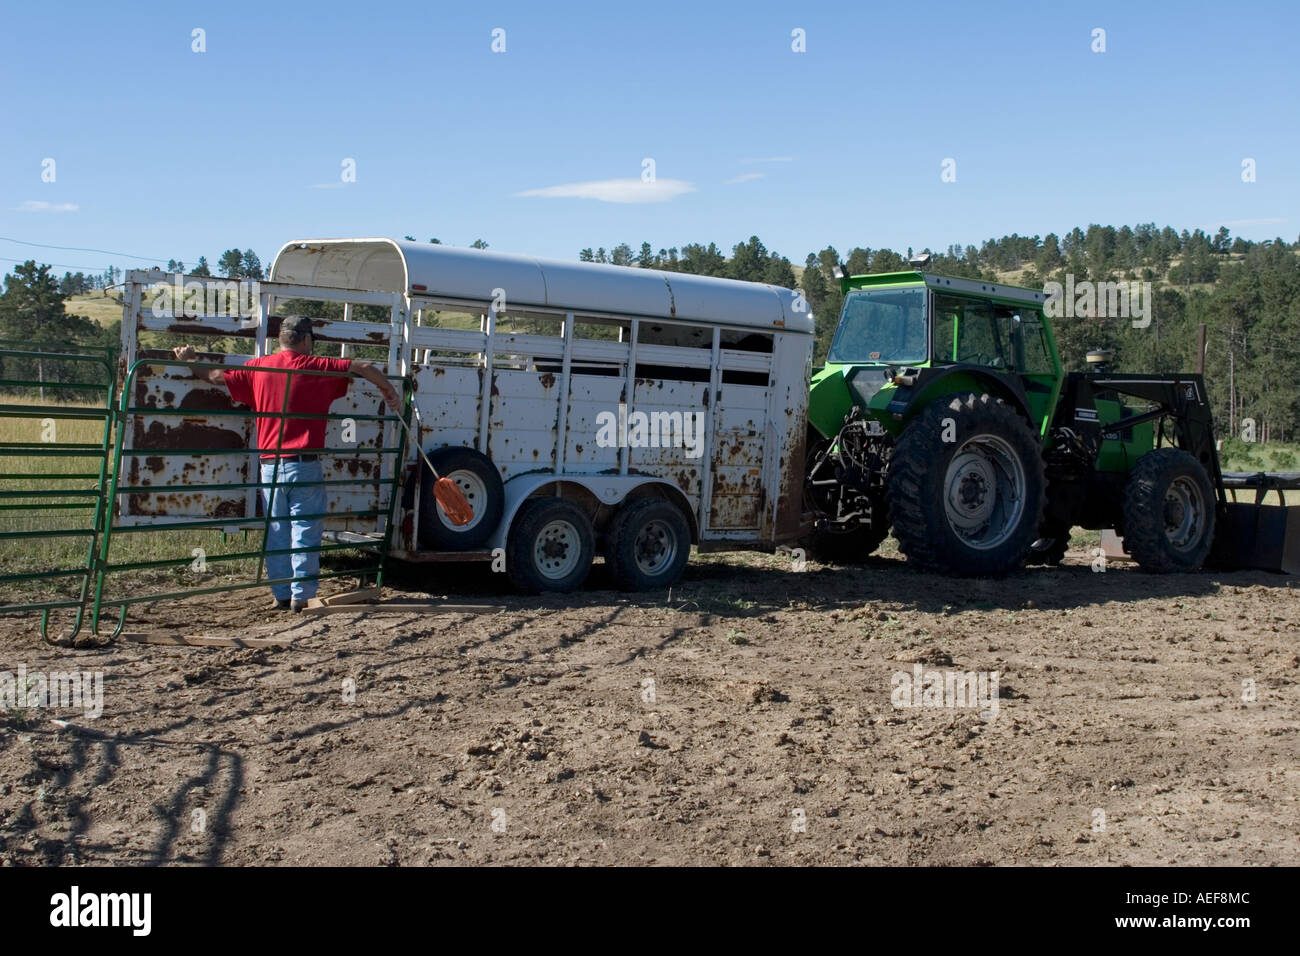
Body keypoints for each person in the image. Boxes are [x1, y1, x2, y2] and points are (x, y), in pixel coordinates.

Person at [173, 317, 400, 612]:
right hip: (304, 464)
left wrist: (191, 360)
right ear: (306, 339)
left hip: (270, 465)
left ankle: (280, 592)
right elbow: (362, 367)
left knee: (277, 530)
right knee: (305, 529)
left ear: (280, 339)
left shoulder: (259, 367)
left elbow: (215, 376)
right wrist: (389, 391)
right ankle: (301, 594)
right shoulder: (317, 366)